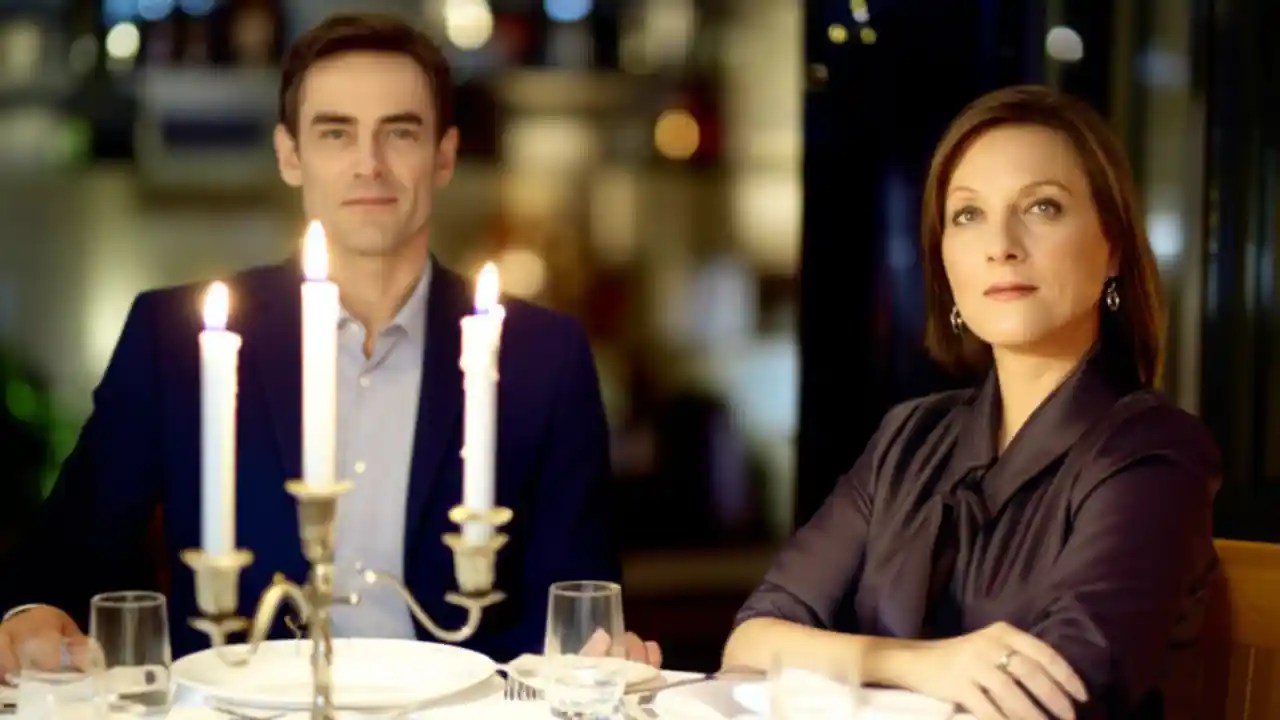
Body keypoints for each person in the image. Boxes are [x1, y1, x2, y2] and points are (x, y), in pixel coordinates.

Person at [0, 13, 660, 673]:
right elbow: (57, 567)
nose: (368, 164)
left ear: (445, 155)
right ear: (291, 154)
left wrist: (602, 655)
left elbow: (578, 609)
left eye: (399, 132)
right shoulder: (175, 339)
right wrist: (29, 614)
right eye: (335, 132)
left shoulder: (543, 357)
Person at [723, 85, 1220, 720]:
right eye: (967, 215)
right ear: (944, 260)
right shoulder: (911, 436)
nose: (1001, 244)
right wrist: (923, 663)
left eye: (1042, 207)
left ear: (1113, 247)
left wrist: (847, 661)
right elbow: (754, 638)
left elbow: (1065, 690)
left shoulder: (1152, 449)